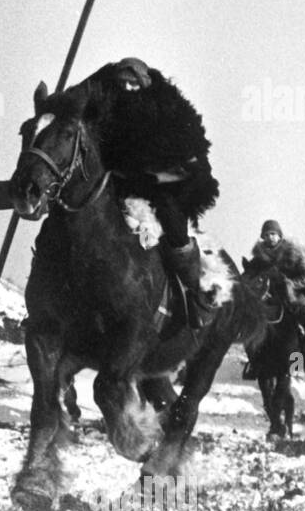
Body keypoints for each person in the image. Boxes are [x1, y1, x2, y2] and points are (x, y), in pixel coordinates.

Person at [62, 57, 220, 325]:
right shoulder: (106, 103)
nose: (127, 86)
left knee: (172, 220)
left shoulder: (165, 108)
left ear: (144, 83)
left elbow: (187, 152)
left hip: (162, 182)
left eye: (133, 82)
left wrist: (155, 174)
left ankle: (196, 292)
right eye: (123, 81)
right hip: (119, 178)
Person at [248, 219, 305, 378]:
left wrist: (291, 284)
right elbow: (249, 274)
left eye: (273, 234)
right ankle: (254, 363)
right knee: (249, 322)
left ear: (279, 235)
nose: (270, 237)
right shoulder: (259, 255)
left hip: (293, 294)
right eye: (266, 235)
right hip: (268, 295)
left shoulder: (293, 251)